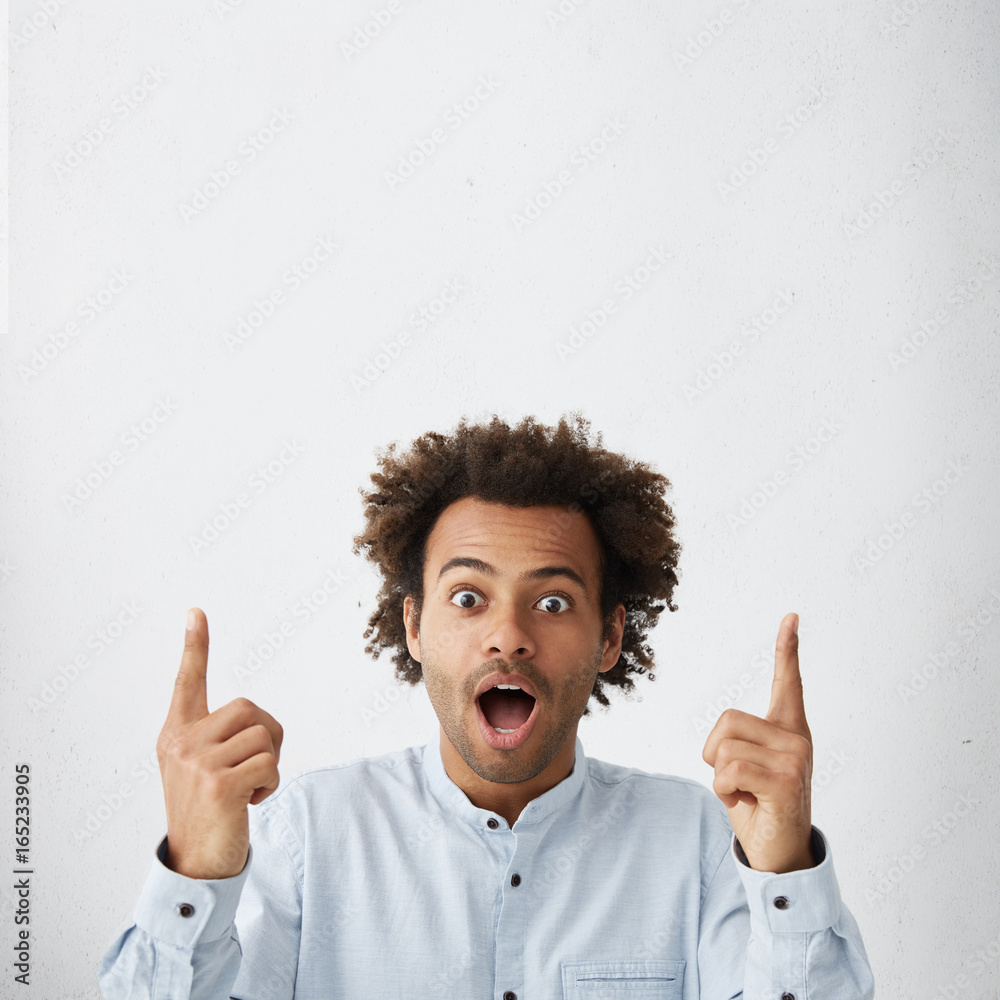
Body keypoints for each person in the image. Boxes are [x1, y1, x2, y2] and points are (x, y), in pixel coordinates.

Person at [98, 413, 875, 999]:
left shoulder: (697, 845)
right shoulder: (306, 837)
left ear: (609, 637)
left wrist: (784, 870)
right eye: (468, 597)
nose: (508, 635)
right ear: (414, 626)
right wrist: (195, 874)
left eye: (553, 602)